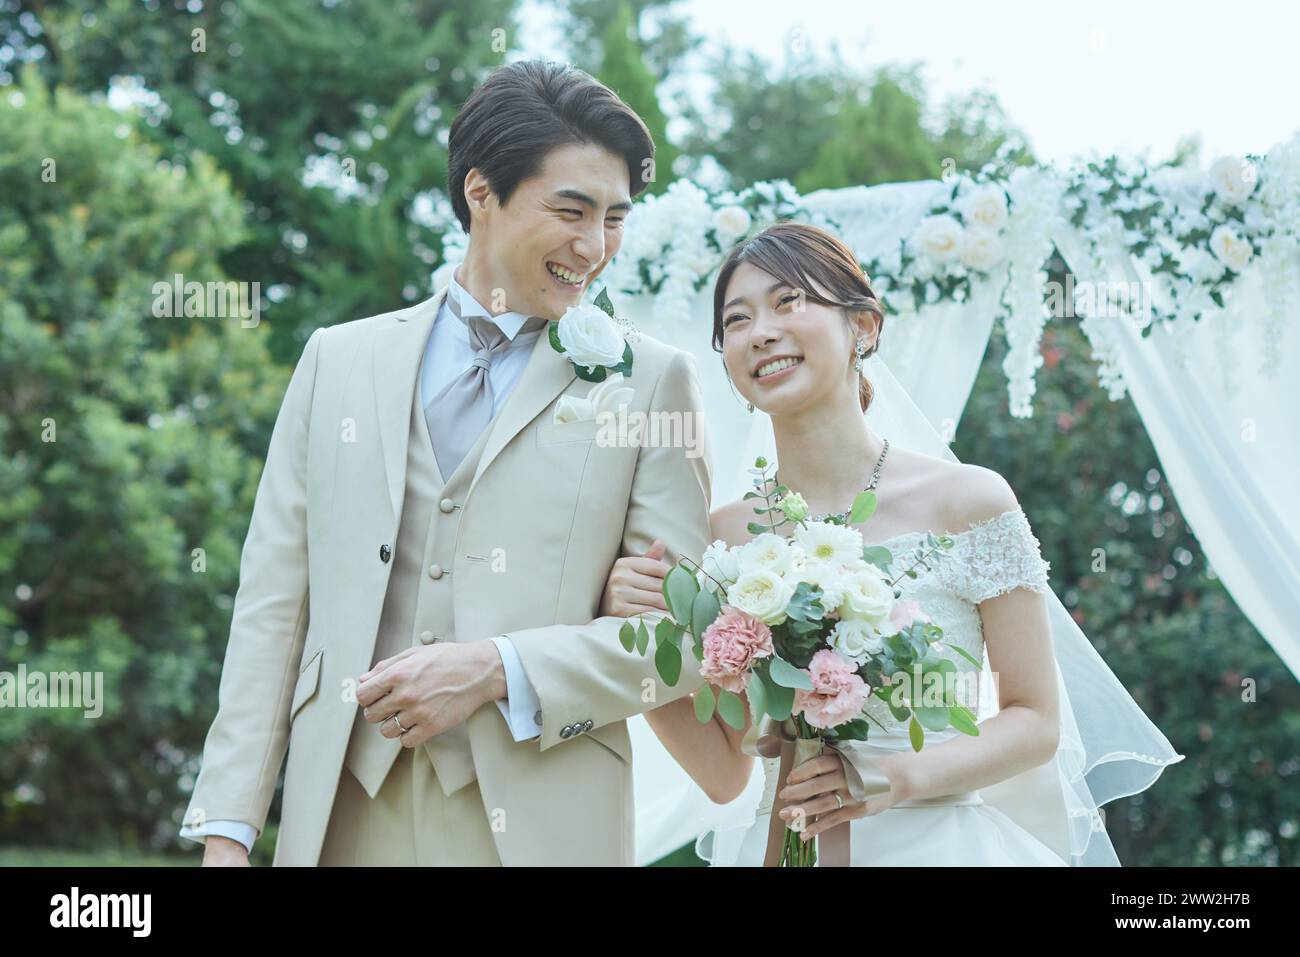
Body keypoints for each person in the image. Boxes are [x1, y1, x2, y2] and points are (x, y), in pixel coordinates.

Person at [179, 60, 713, 866]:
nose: (593, 246)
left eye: (613, 217)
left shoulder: (651, 381)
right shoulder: (336, 360)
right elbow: (274, 608)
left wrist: (501, 668)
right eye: (571, 211)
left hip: (545, 818)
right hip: (343, 812)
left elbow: (680, 644)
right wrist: (227, 830)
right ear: (480, 193)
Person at [600, 221, 1181, 865]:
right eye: (736, 319)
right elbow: (724, 771)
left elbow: (1035, 722)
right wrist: (645, 632)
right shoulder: (724, 541)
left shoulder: (970, 502)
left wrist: (893, 779)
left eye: (789, 301)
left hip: (940, 845)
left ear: (864, 327)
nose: (761, 330)